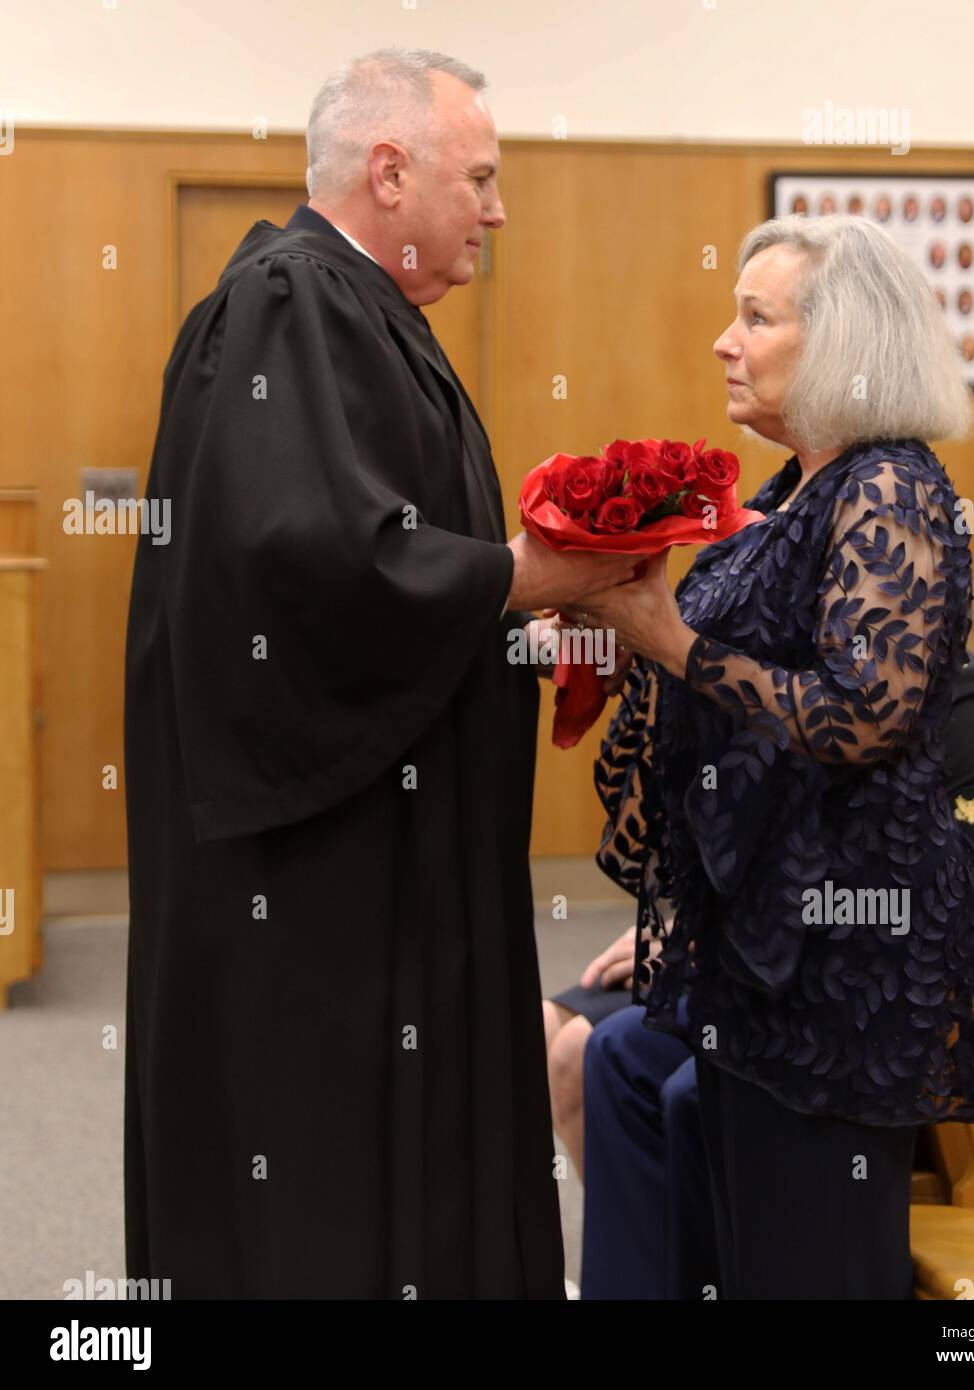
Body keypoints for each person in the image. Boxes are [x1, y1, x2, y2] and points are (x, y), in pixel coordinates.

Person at [123, 47, 636, 1298]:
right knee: (320, 1164)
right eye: (481, 177)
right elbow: (315, 570)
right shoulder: (288, 307)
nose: (498, 210)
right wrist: (528, 576)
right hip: (318, 878)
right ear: (389, 172)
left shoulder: (366, 319)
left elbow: (400, 577)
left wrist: (547, 627)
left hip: (390, 850)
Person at [569, 213, 974, 1299]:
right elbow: (723, 680)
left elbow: (864, 711)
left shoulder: (889, 489)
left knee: (809, 1261)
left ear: (839, 346)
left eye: (754, 317)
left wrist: (666, 638)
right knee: (749, 1252)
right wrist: (611, 631)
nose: (724, 341)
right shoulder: (786, 494)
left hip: (839, 964)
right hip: (761, 949)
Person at [564, 653, 974, 1298]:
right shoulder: (824, 713)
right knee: (621, 1053)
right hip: (821, 1001)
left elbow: (960, 952)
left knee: (700, 1088)